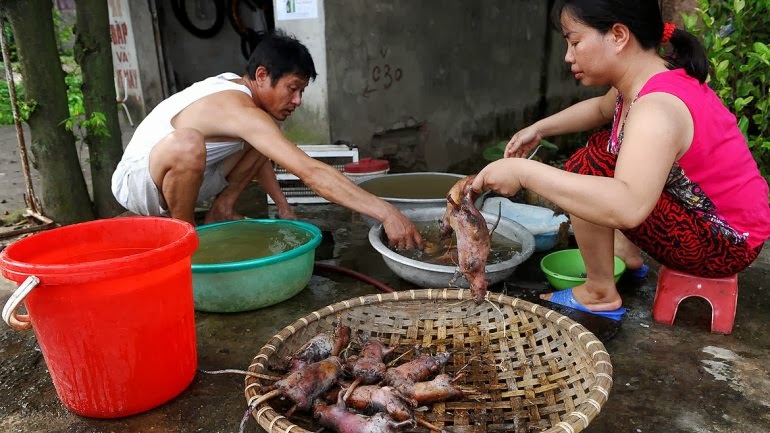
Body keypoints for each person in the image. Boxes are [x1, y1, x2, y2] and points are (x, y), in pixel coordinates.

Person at [472, 0, 770, 320]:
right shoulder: (648, 79)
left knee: (589, 166)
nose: (568, 56)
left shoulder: (657, 109)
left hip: (725, 245)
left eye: (575, 42)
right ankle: (625, 254)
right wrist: (539, 129)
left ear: (618, 36)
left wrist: (524, 171)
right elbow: (600, 110)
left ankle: (599, 292)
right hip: (727, 226)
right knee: (604, 151)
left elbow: (629, 207)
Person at [112, 31, 422, 250]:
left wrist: (285, 208)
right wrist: (385, 211)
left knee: (269, 138)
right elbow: (310, 172)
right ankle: (184, 242)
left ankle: (223, 208)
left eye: (302, 92)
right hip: (138, 180)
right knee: (188, 143)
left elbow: (263, 155)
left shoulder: (246, 99)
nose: (298, 100)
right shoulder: (237, 107)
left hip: (185, 173)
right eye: (293, 88)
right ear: (262, 75)